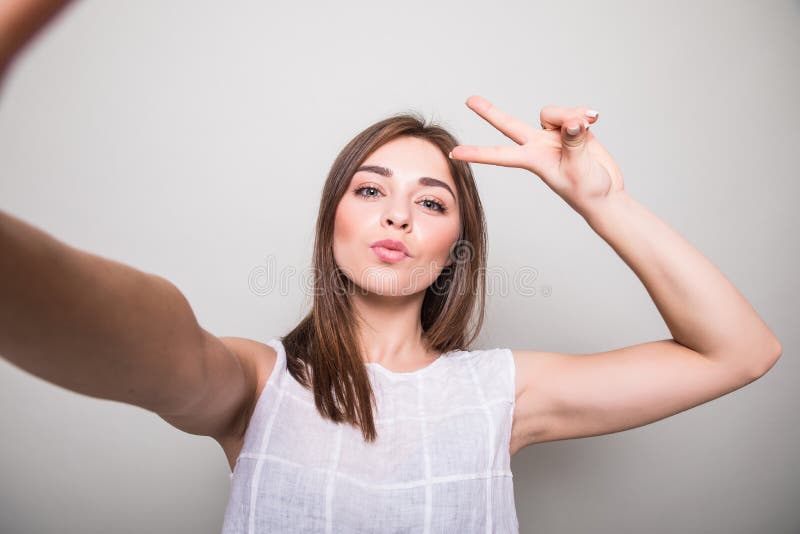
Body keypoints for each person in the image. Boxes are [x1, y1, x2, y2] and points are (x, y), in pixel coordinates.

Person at [0, 1, 783, 533]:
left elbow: (741, 352)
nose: (399, 214)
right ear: (331, 220)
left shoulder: (500, 395)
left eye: (433, 202)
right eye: (370, 189)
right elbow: (137, 335)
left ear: (456, 248)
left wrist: (605, 201)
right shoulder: (253, 384)